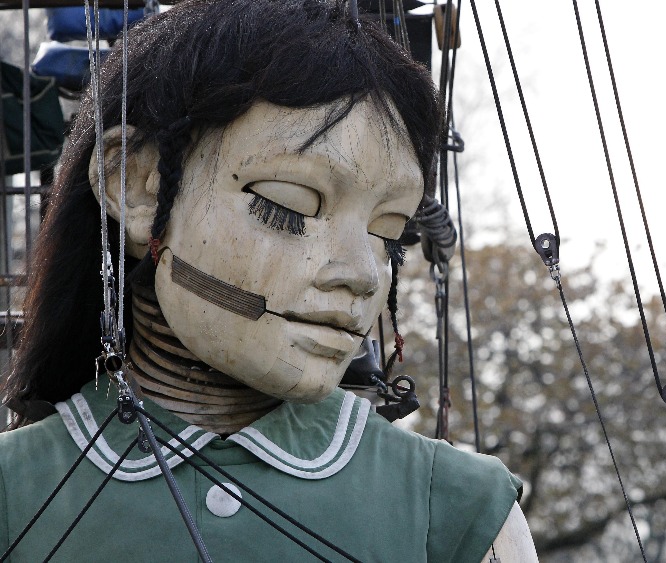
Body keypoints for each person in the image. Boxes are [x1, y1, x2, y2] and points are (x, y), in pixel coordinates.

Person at [0, 1, 537, 561]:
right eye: (290, 204)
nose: (362, 274)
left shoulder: (461, 510)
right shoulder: (15, 491)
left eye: (389, 234)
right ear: (135, 185)